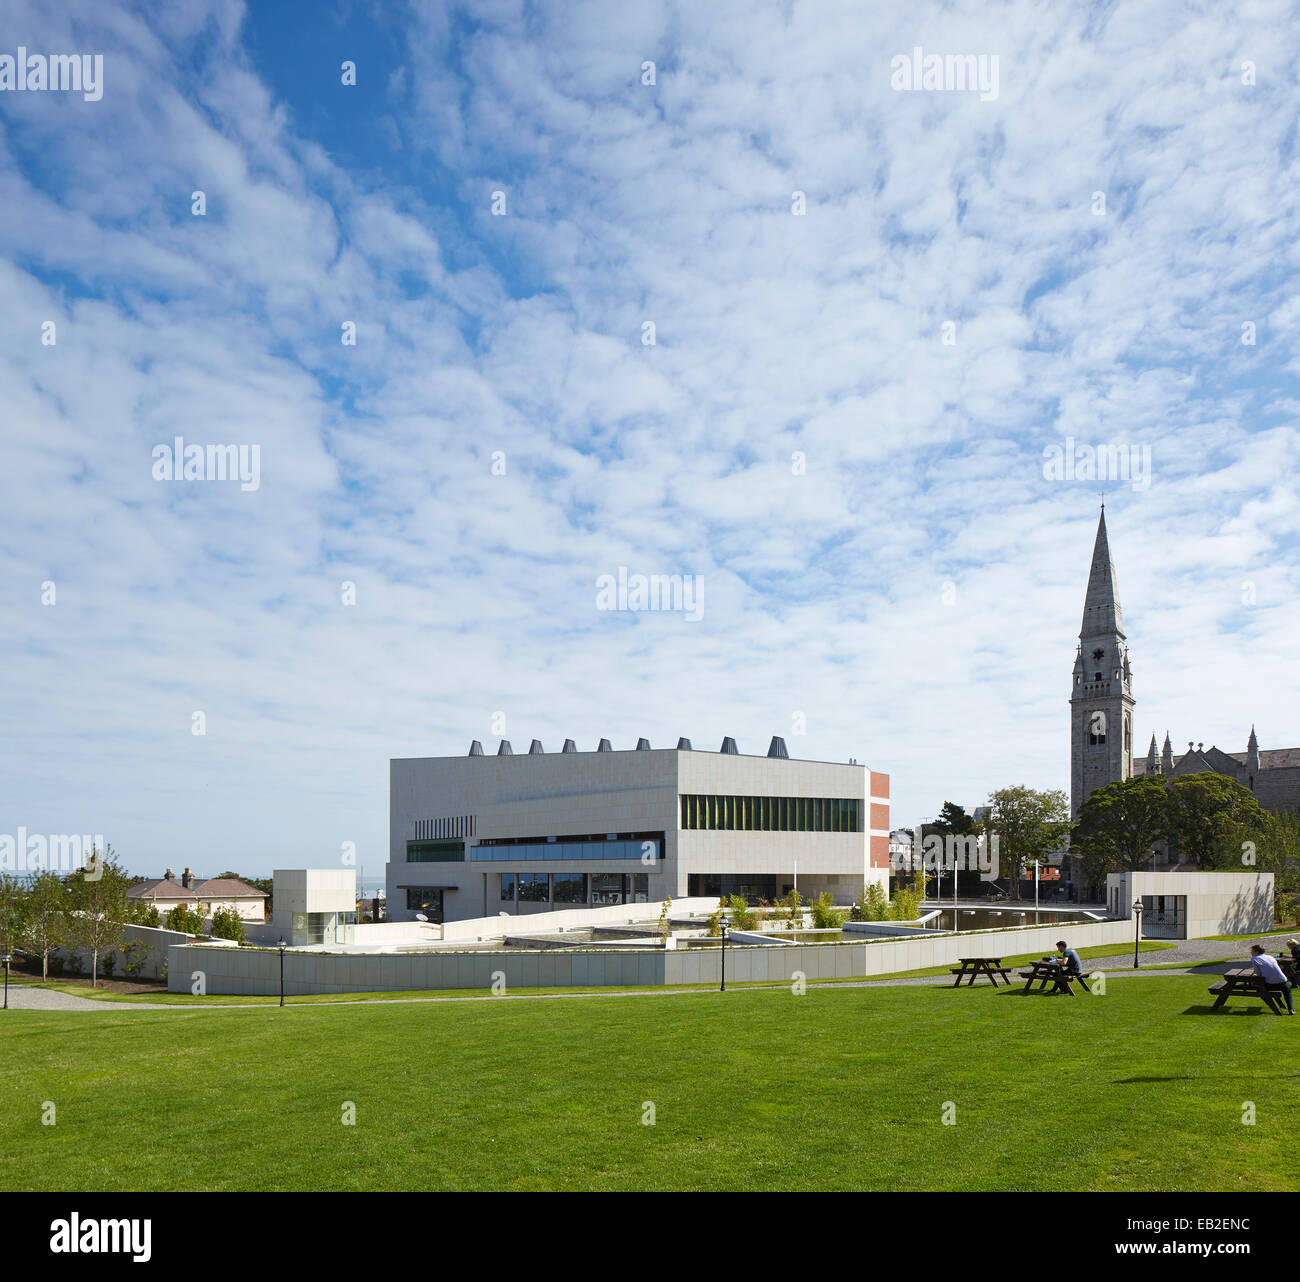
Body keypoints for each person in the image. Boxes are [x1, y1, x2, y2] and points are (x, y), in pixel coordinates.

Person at [1250, 944, 1294, 1014]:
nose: (1250, 952)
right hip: (1284, 981)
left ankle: (1273, 1007)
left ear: (1256, 952)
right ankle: (1291, 1009)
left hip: (1272, 984)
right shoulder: (1269, 957)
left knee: (1260, 990)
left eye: (1251, 950)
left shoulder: (1255, 958)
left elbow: (1258, 974)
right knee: (1287, 992)